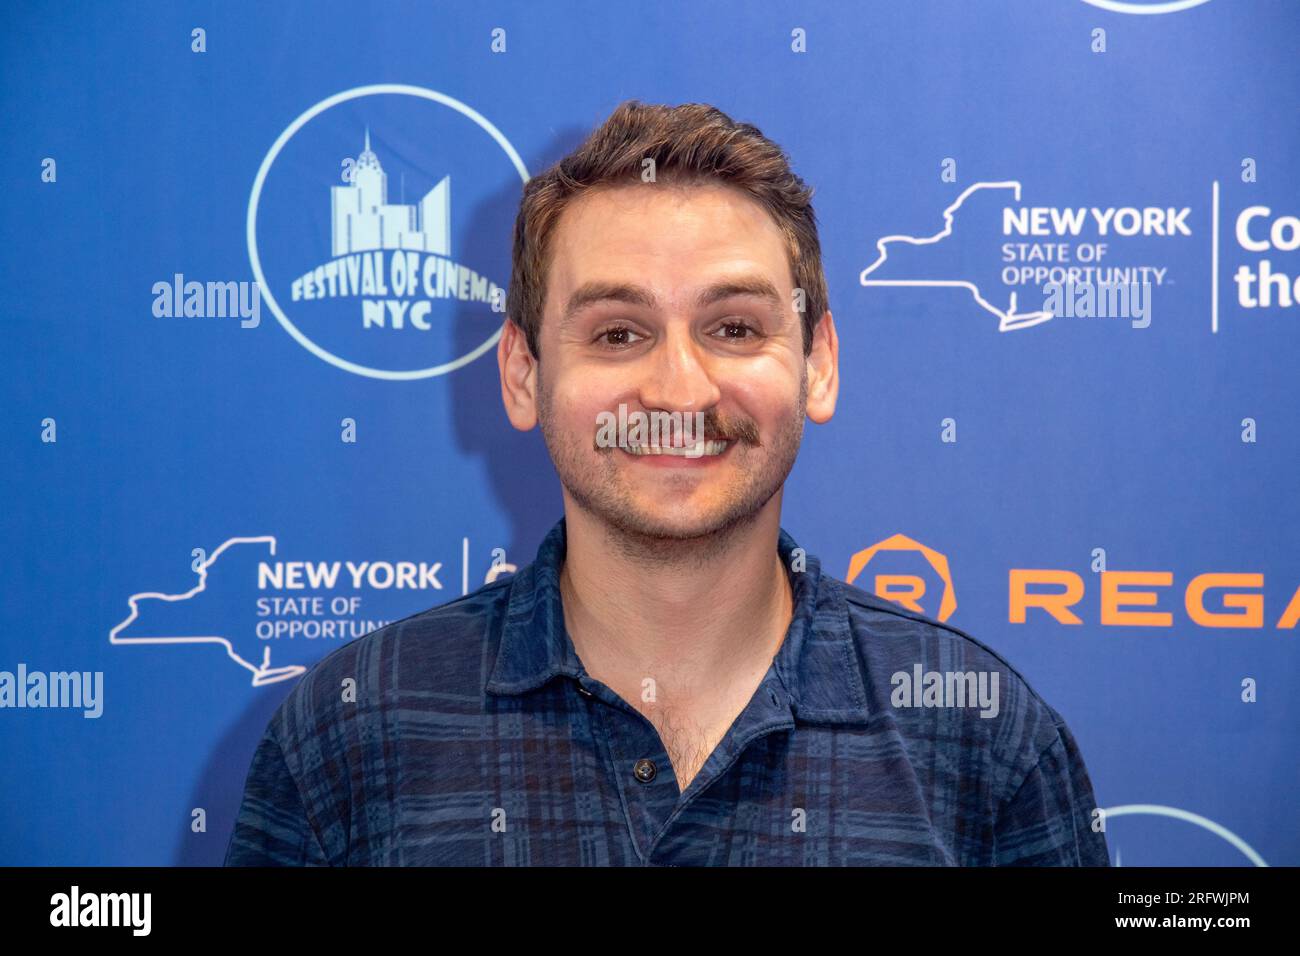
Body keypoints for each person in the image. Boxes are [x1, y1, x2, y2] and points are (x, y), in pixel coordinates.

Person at [225, 100, 1109, 866]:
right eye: (617, 334)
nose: (680, 392)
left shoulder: (984, 742)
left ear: (819, 363)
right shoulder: (350, 736)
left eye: (732, 328)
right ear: (524, 375)